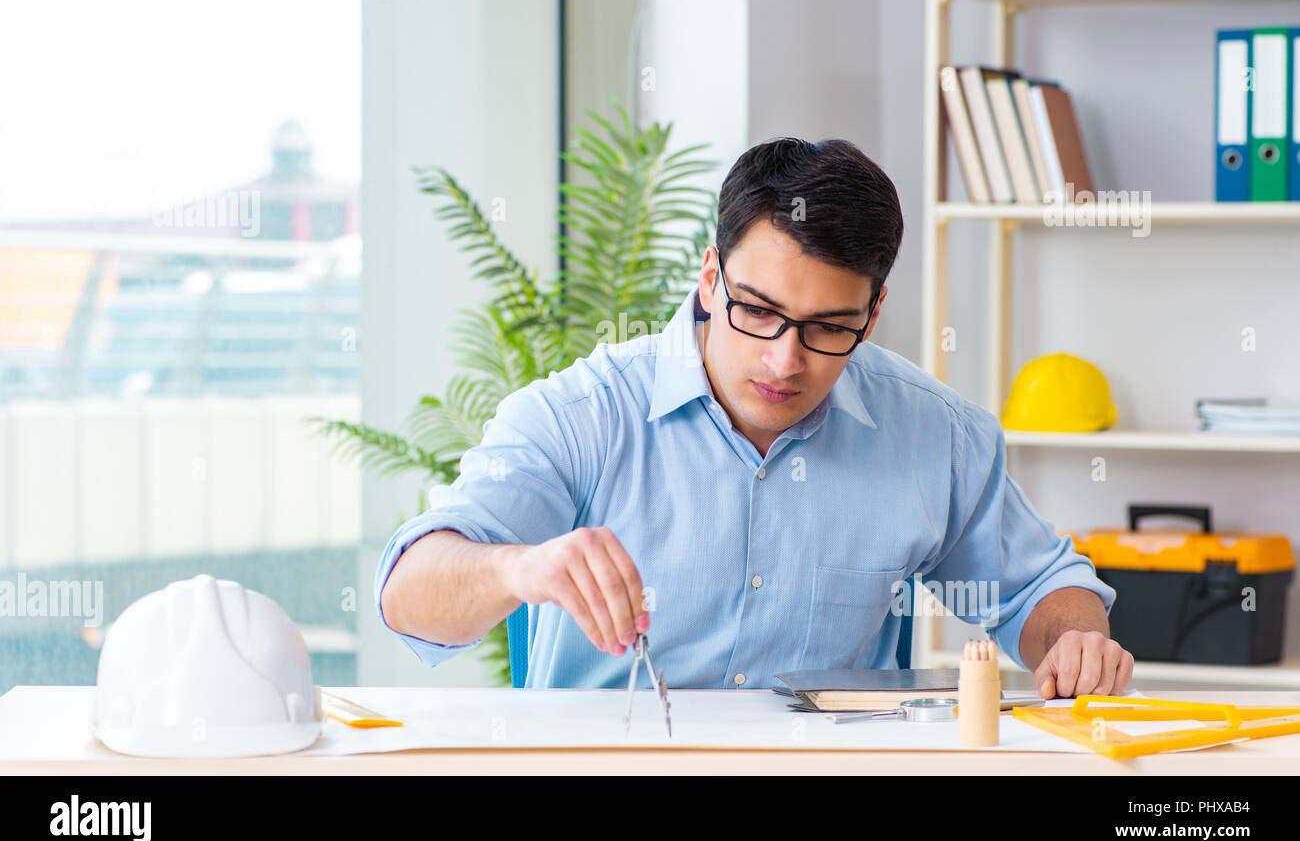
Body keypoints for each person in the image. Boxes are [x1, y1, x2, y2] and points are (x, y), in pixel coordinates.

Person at [376, 136, 1132, 699]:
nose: (783, 360)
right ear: (711, 277)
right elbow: (409, 592)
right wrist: (517, 565)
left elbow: (1042, 590)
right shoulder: (581, 415)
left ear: (873, 315)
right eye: (759, 310)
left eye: (829, 326)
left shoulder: (936, 436)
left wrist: (1074, 642)